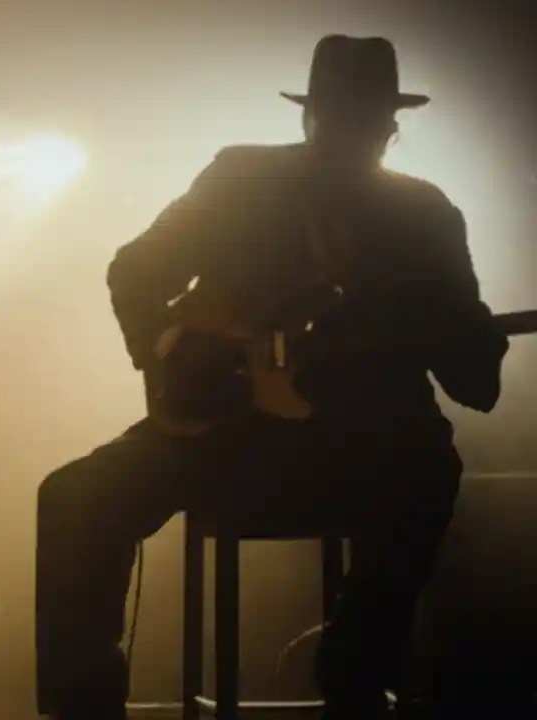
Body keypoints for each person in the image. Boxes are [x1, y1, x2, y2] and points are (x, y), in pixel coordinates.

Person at [35, 36, 509, 720]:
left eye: (369, 120)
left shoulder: (425, 215)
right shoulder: (239, 177)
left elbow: (474, 381)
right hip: (224, 432)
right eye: (341, 116)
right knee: (74, 497)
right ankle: (83, 709)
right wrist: (173, 351)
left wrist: (464, 332)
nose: (355, 133)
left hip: (368, 449)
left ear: (389, 126)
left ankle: (353, 668)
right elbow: (136, 269)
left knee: (431, 472)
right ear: (309, 117)